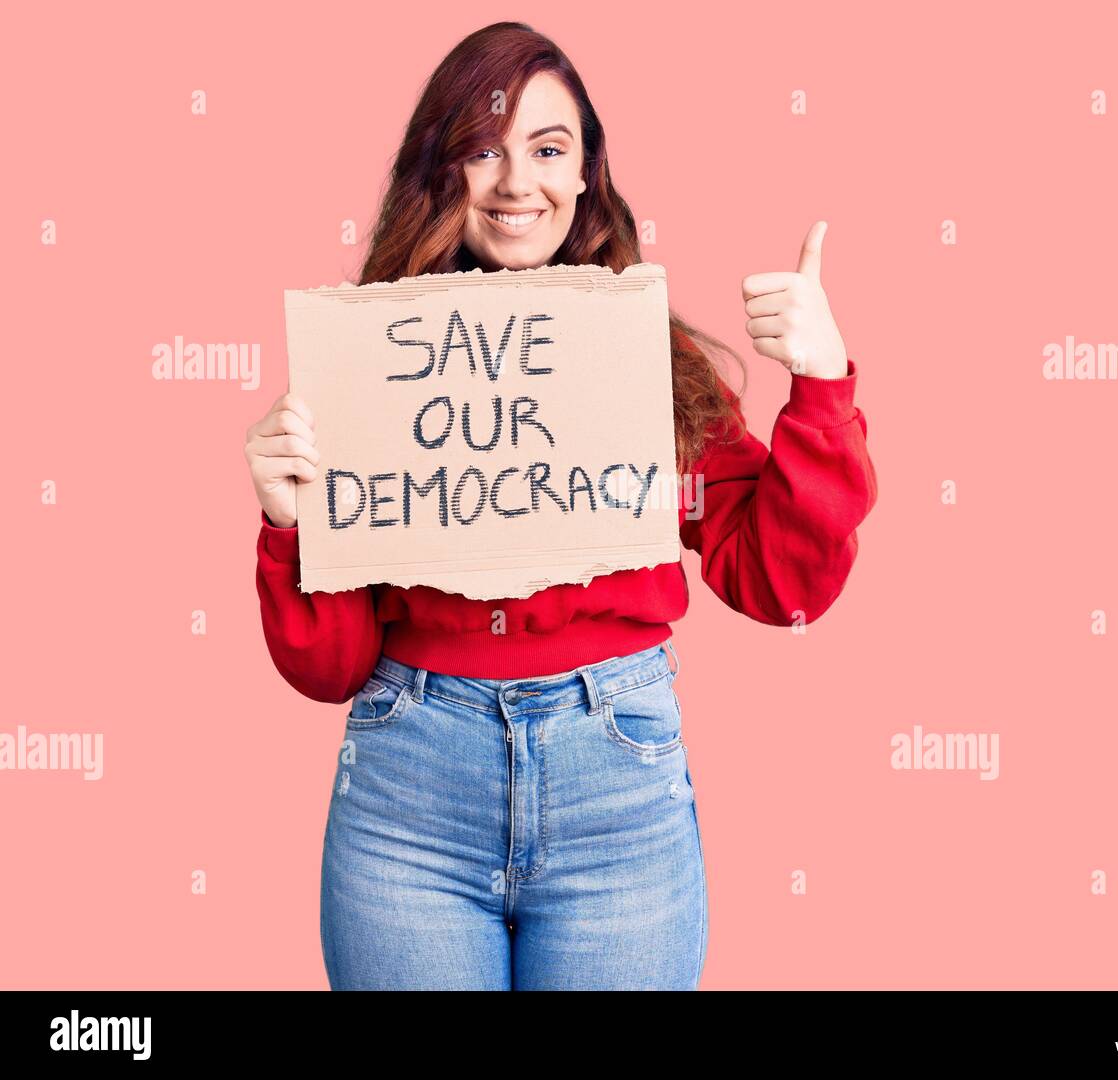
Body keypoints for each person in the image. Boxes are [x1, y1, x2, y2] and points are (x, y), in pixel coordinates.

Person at [243, 21, 878, 990]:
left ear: (586, 177)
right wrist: (290, 529)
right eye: (482, 149)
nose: (515, 182)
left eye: (548, 150)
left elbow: (780, 582)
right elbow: (329, 667)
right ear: (440, 169)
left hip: (613, 789)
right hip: (408, 798)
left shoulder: (644, 361)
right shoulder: (367, 368)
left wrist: (822, 384)